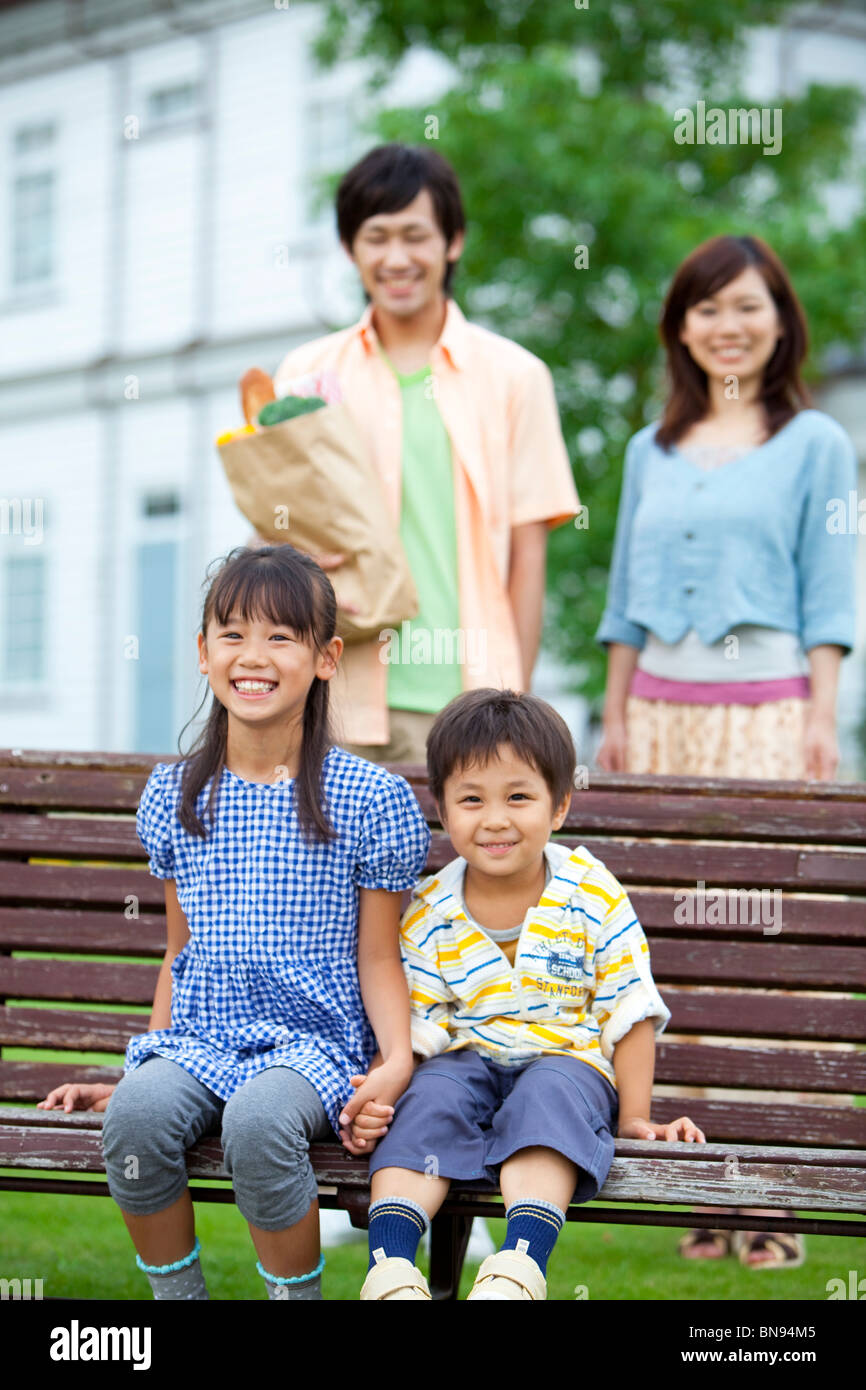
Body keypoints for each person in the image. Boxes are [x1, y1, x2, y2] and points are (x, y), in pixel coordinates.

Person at [38, 543, 431, 1301]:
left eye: (281, 637)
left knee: (257, 1123)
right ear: (203, 652)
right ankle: (178, 1299)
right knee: (137, 1122)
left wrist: (394, 1061)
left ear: (326, 658)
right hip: (199, 1040)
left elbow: (379, 958)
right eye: (234, 633)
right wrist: (140, 1069)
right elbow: (176, 952)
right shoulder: (176, 794)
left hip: (311, 1049)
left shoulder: (368, 800)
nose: (254, 656)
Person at [595, 234, 858, 1268]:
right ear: (681, 329)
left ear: (778, 319)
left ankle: (777, 1191)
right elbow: (620, 600)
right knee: (672, 951)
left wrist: (817, 715)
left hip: (764, 712)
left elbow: (830, 591)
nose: (725, 325)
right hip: (656, 717)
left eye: (744, 306)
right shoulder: (645, 449)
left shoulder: (815, 443)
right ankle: (699, 1183)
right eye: (704, 309)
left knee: (768, 952)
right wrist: (613, 715)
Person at [345, 688, 704, 1301]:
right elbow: (419, 1020)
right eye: (471, 799)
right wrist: (385, 1086)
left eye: (519, 796)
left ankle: (515, 1270)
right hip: (468, 1061)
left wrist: (636, 1115)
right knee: (427, 1101)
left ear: (559, 805)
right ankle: (392, 1272)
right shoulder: (430, 909)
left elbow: (630, 1008)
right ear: (444, 809)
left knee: (548, 1097)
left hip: (567, 1062)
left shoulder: (591, 893)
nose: (495, 819)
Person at [271, 142, 580, 764]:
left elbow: (528, 554)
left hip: (466, 707)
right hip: (333, 694)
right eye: (376, 237)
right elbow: (275, 533)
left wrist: (511, 704)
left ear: (453, 241)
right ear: (349, 248)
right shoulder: (305, 373)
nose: (396, 258)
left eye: (415, 235)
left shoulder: (516, 376)